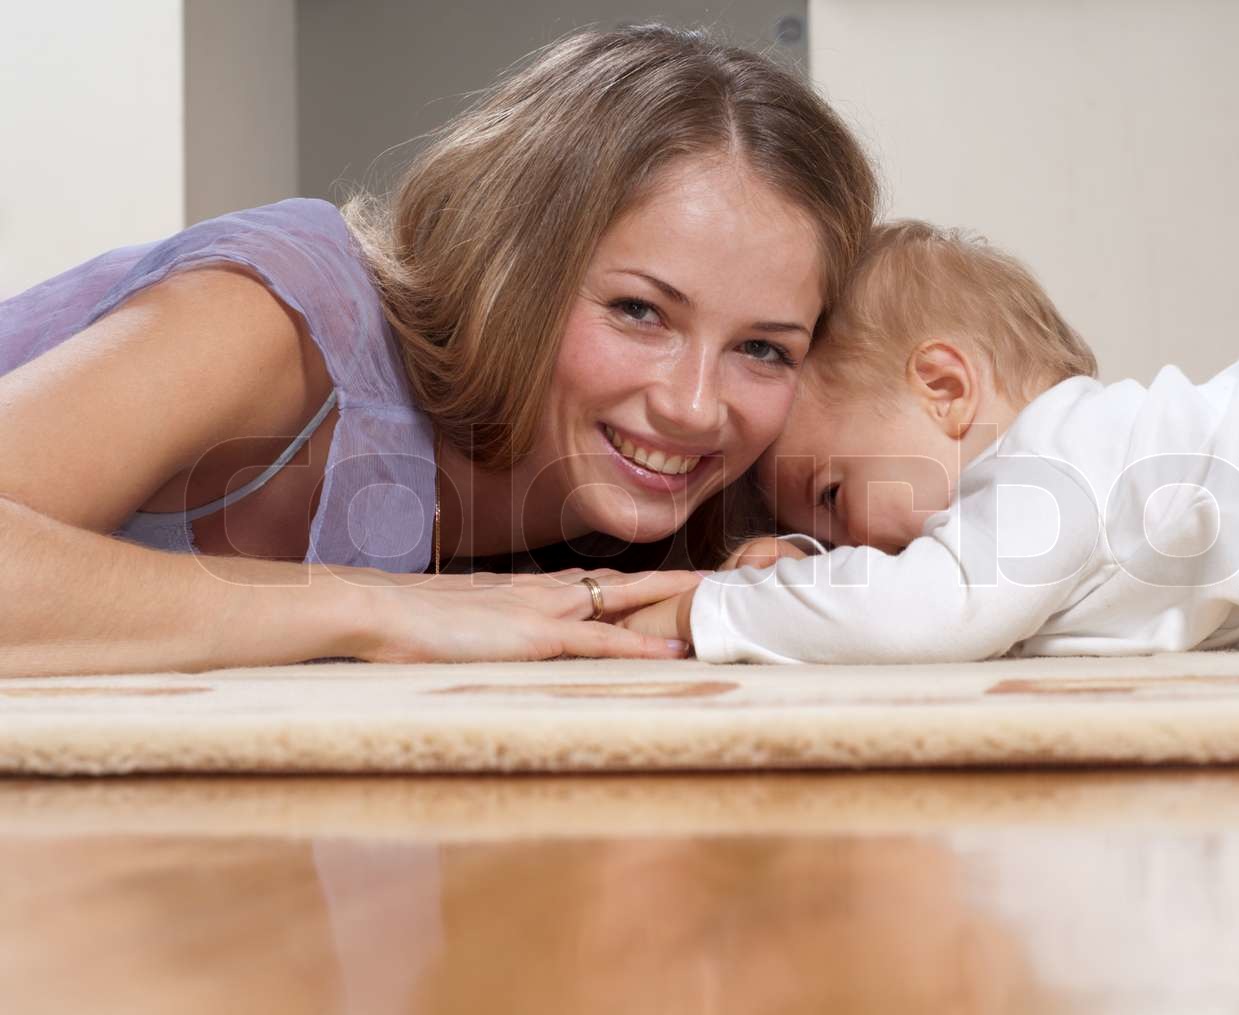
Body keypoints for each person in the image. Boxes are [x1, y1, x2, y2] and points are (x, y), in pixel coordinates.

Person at [0, 26, 878, 677]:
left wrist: (782, 585)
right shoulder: (279, 317)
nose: (692, 405)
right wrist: (366, 605)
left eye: (763, 348)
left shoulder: (734, 483)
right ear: (514, 268)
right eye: (639, 310)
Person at [623, 181, 1239, 661]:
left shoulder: (1047, 467)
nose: (850, 547)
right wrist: (798, 552)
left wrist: (706, 609)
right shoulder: (1080, 504)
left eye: (834, 496)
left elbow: (921, 611)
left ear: (946, 389)